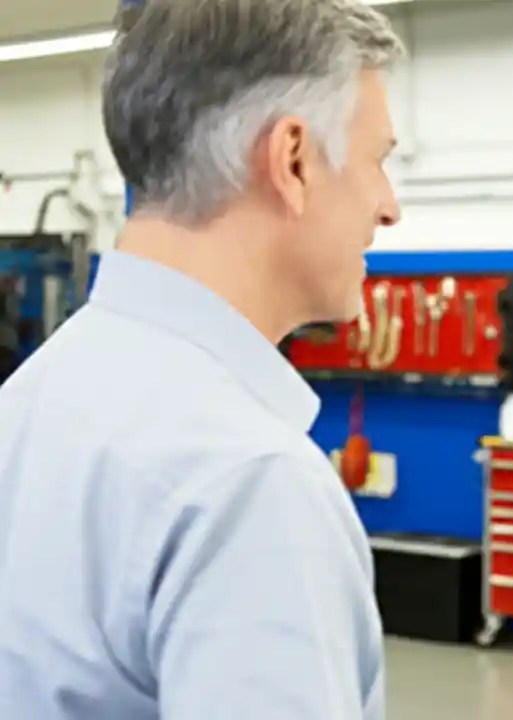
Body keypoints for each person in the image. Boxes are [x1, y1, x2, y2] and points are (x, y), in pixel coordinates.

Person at [0, 1, 404, 718]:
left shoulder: (30, 400)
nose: (389, 206)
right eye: (378, 160)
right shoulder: (247, 484)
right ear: (294, 161)